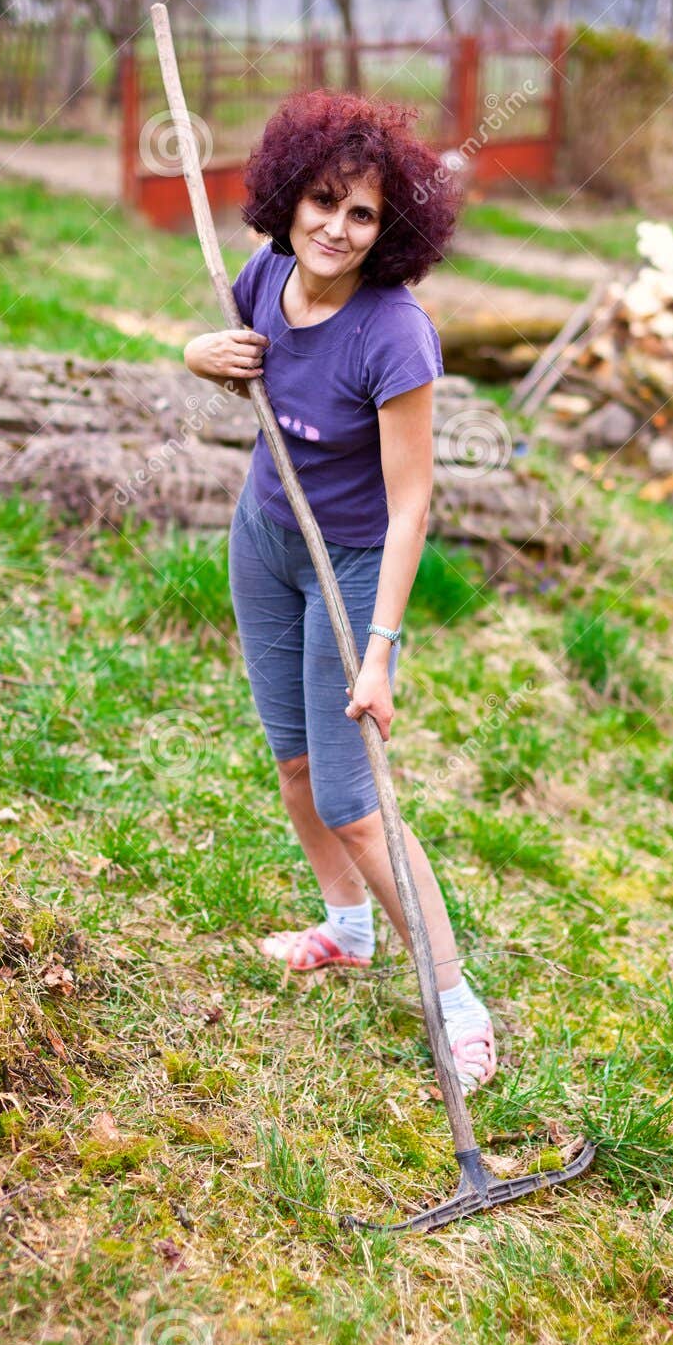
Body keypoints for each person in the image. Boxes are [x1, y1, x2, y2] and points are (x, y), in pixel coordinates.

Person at [183, 90, 497, 1096]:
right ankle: (347, 928)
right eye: (320, 199)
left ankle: (454, 999)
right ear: (287, 197)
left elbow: (411, 507)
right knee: (291, 767)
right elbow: (231, 356)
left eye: (361, 213)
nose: (335, 226)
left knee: (353, 802)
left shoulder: (394, 333)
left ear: (389, 226)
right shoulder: (264, 274)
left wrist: (379, 647)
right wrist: (198, 355)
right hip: (263, 540)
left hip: (352, 563)